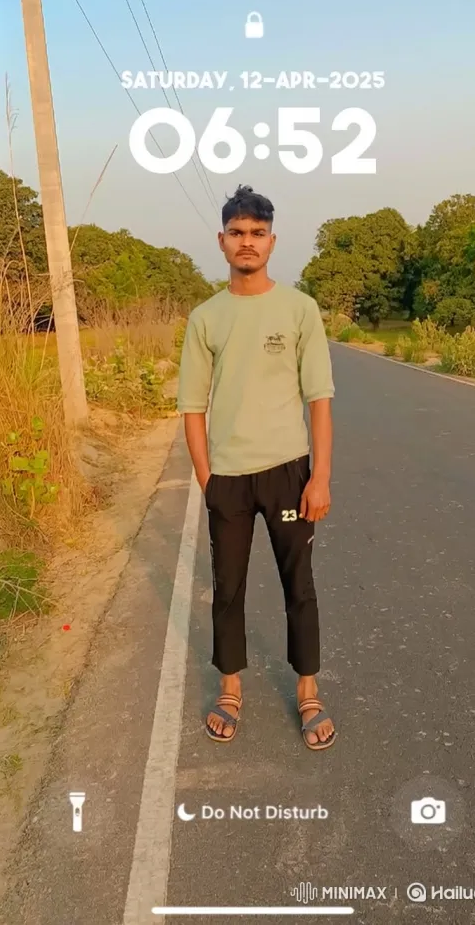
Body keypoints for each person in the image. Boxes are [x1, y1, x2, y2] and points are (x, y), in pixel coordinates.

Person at [177, 185, 336, 750]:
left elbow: (319, 398)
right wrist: (207, 479)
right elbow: (193, 407)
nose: (248, 242)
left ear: (272, 241)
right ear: (221, 242)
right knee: (228, 588)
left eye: (258, 233)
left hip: (289, 471)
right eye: (238, 233)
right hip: (229, 478)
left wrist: (320, 477)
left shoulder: (299, 309)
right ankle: (230, 688)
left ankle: (309, 691)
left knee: (300, 585)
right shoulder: (206, 318)